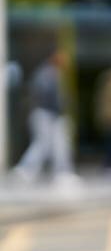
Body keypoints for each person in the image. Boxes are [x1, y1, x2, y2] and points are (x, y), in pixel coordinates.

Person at [11, 49, 79, 185]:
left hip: (49, 114)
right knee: (44, 144)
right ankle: (25, 170)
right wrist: (59, 109)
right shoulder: (47, 73)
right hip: (46, 114)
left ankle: (61, 173)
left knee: (57, 145)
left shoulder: (52, 73)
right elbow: (47, 95)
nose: (65, 62)